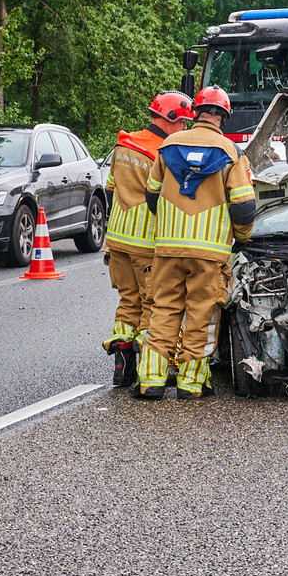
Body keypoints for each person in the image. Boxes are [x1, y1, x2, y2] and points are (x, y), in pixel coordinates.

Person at [136, 86, 256, 400]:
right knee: (201, 316)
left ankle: (150, 381)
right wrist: (241, 238)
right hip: (209, 253)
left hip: (168, 249)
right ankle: (190, 385)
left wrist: (172, 227)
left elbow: (151, 195)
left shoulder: (168, 146)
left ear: (195, 113)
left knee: (163, 310)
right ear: (224, 117)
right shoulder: (232, 153)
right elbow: (244, 207)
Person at [100, 91, 194, 388]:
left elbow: (110, 190)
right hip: (146, 243)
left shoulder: (123, 145)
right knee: (154, 305)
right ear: (169, 119)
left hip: (117, 240)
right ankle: (150, 371)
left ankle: (123, 367)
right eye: (183, 123)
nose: (185, 129)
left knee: (128, 303)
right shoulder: (163, 152)